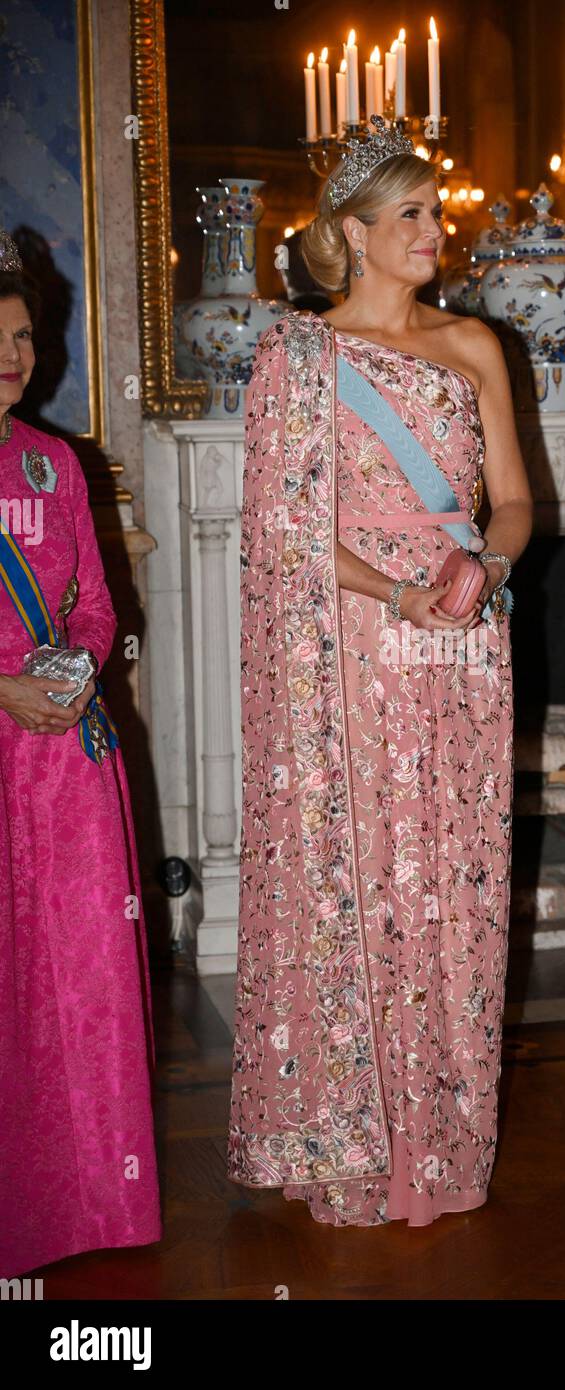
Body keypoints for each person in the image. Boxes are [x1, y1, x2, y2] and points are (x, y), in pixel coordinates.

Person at [228, 116, 532, 1226]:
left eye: (433, 209)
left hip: (463, 641)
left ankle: (443, 1133)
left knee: (452, 876)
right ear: (351, 235)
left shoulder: (474, 346)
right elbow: (283, 530)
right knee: (364, 869)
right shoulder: (295, 354)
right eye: (408, 212)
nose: (431, 228)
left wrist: (483, 570)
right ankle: (356, 1136)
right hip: (354, 641)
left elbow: (513, 498)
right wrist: (400, 591)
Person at [0, 229, 161, 1276]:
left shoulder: (56, 463)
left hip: (63, 763)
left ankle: (93, 1203)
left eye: (22, 336)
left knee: (79, 981)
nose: (14, 355)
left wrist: (72, 671)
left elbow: (99, 604)